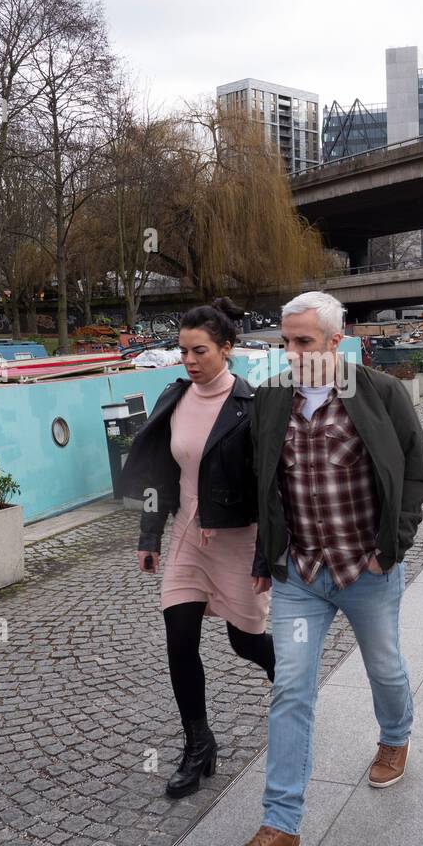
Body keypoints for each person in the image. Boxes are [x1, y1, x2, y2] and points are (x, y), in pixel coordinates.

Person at [232, 290, 423, 846]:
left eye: (303, 342)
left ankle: (395, 739)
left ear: (335, 341)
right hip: (301, 574)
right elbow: (263, 486)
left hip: (365, 570)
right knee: (291, 688)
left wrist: (390, 548)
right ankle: (282, 823)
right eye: (284, 342)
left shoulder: (381, 393)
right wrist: (264, 560)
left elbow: (415, 475)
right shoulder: (270, 400)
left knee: (385, 667)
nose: (291, 353)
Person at [118, 297, 274, 799]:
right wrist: (150, 534)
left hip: (236, 539)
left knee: (244, 641)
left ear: (227, 349)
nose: (189, 360)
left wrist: (265, 555)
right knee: (179, 637)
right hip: (188, 534)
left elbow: (270, 487)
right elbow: (161, 473)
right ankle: (198, 743)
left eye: (200, 351)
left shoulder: (251, 408)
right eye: (183, 350)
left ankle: (290, 678)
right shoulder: (174, 396)